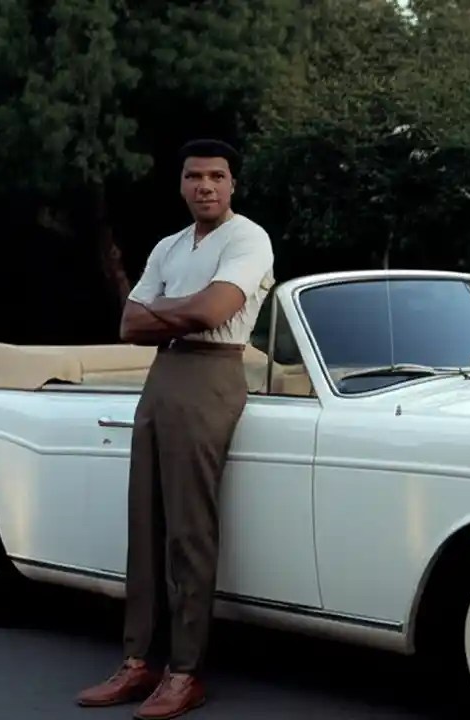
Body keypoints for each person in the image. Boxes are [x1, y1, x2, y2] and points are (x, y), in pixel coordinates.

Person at [76, 138, 275, 719]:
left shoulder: (248, 238)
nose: (205, 186)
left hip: (212, 377)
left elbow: (215, 315)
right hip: (162, 379)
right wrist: (182, 310)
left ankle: (185, 672)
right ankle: (139, 662)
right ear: (181, 184)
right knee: (146, 521)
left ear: (232, 184)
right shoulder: (168, 246)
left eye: (217, 176)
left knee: (189, 528)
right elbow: (126, 323)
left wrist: (166, 312)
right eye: (194, 177)